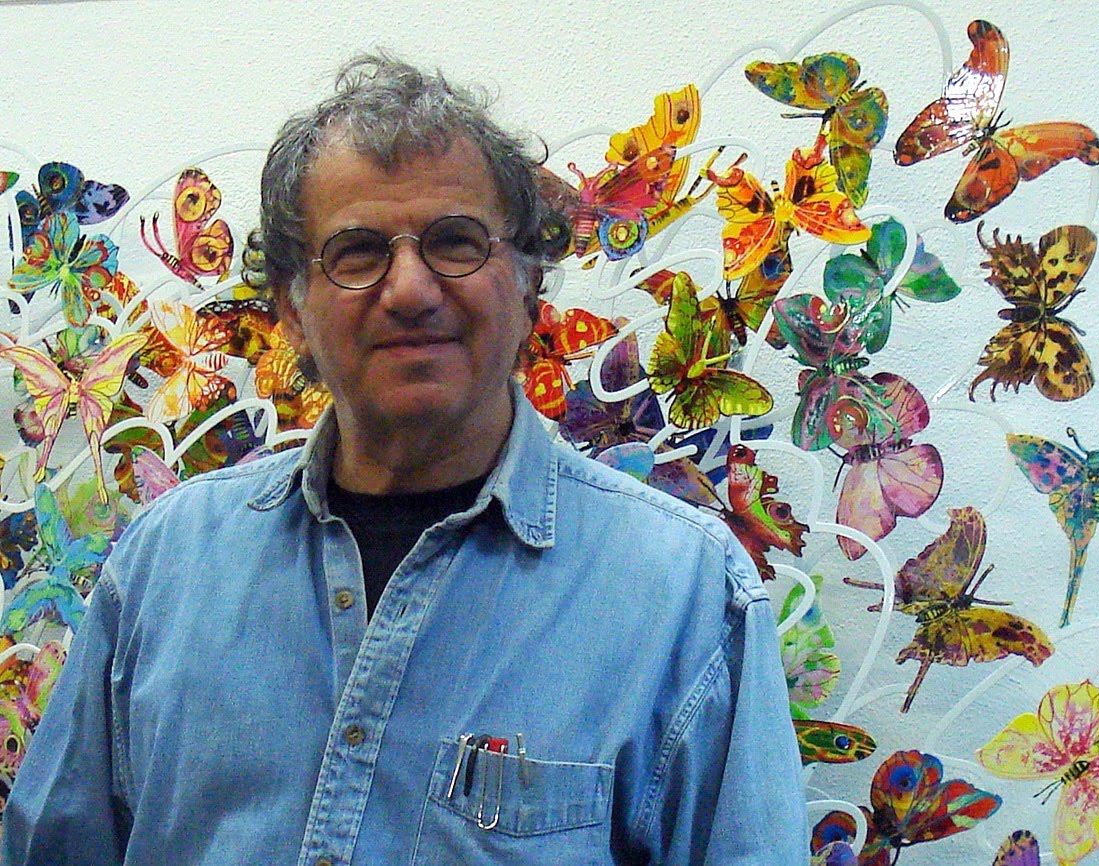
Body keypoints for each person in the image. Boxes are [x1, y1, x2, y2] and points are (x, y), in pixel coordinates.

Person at [1, 53, 808, 865]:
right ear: (289, 307)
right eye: (356, 253)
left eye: (456, 242)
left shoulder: (688, 600)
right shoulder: (163, 569)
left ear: (529, 282)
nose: (412, 289)